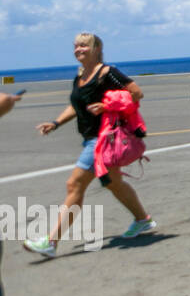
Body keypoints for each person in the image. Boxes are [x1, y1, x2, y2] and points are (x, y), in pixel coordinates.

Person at [23, 33, 156, 259]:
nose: (79, 49)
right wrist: (55, 123)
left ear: (96, 48)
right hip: (92, 139)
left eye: (84, 45)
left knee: (74, 184)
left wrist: (106, 106)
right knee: (114, 184)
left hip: (103, 140)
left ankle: (50, 242)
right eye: (76, 45)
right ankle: (143, 220)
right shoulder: (80, 76)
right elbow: (76, 107)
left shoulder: (108, 73)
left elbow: (136, 93)